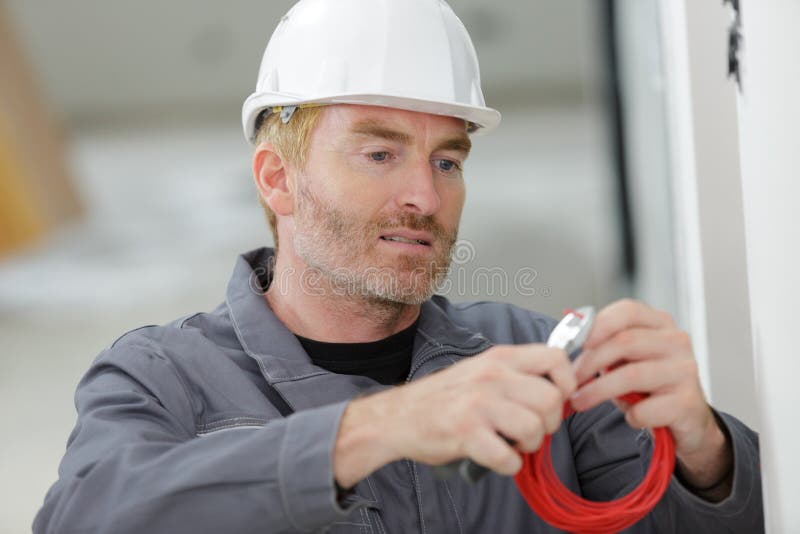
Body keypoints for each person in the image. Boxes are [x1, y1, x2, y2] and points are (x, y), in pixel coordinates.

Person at [34, 0, 763, 532]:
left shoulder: (541, 365)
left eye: (447, 160)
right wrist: (379, 429)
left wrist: (707, 453)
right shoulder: (165, 378)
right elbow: (85, 517)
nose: (425, 195)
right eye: (380, 153)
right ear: (277, 179)